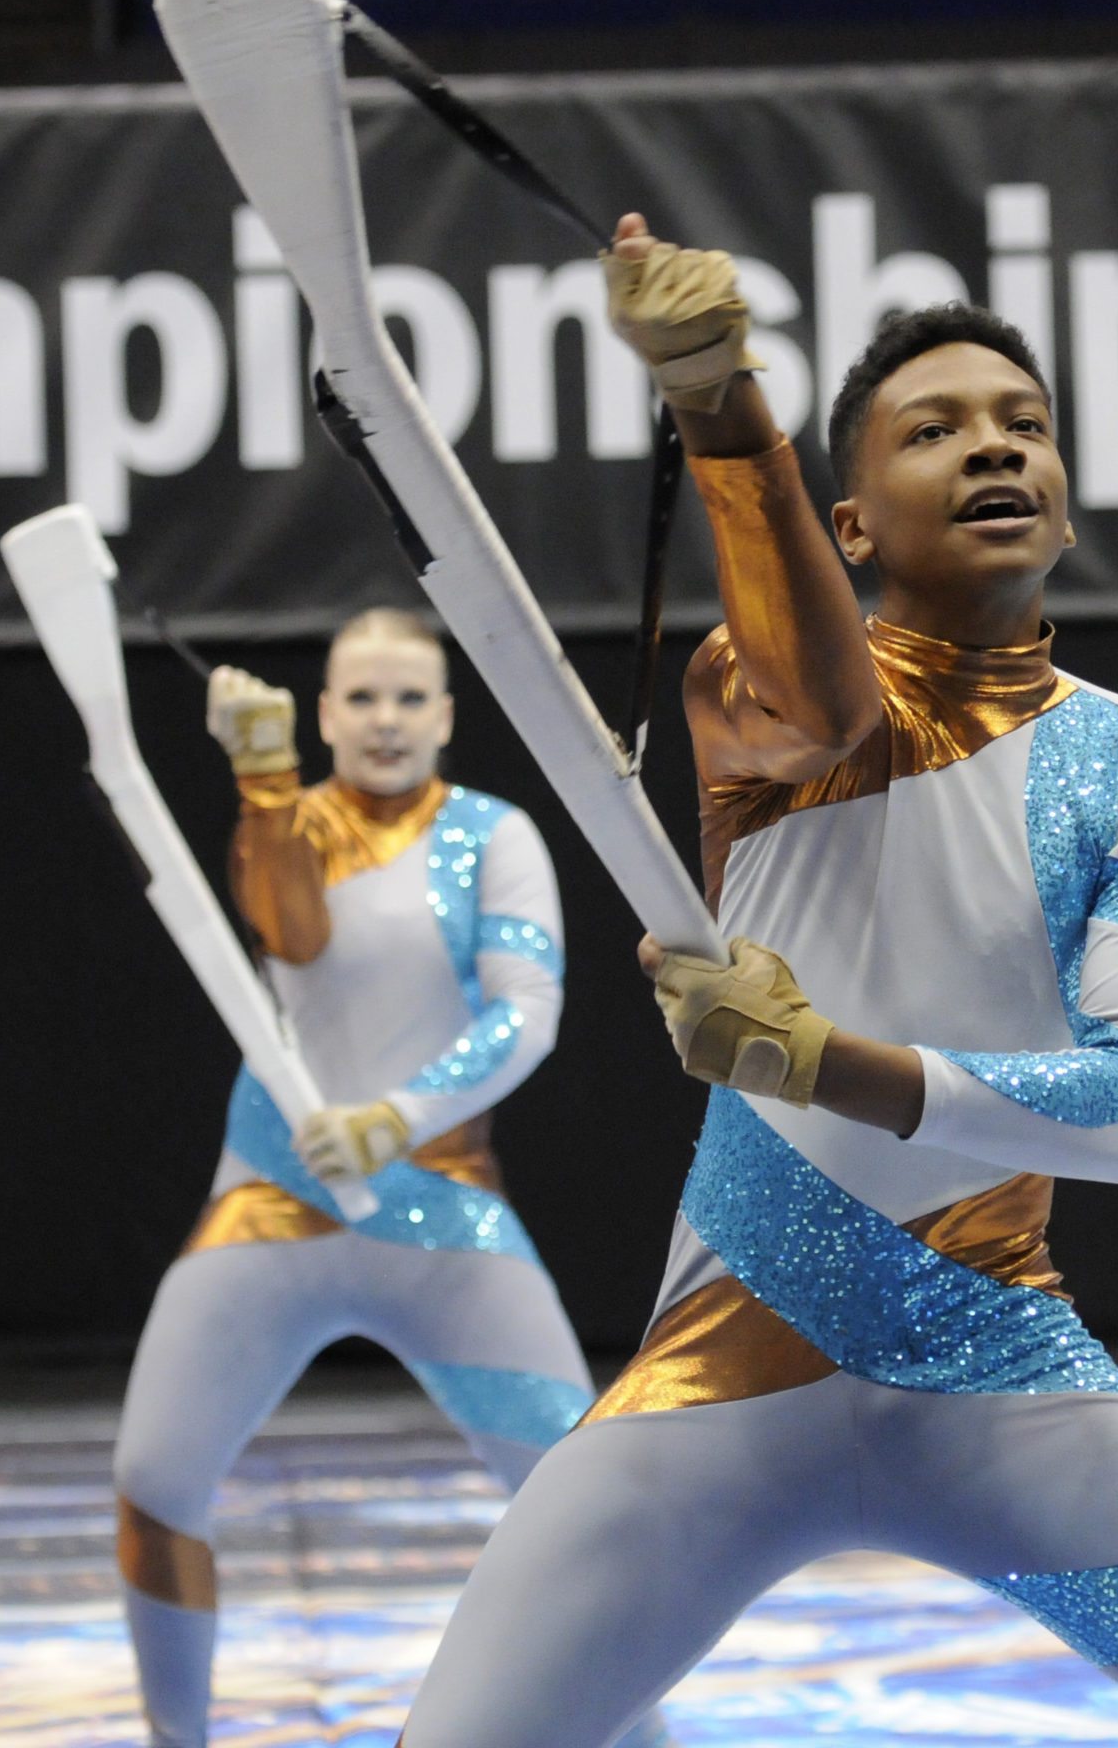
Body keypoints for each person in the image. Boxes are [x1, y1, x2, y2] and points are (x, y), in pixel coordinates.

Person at [395, 220, 1118, 1747]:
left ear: (1069, 496)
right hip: (716, 1392)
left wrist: (821, 1060)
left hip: (1007, 1372)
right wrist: (720, 404)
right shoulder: (753, 699)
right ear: (851, 522)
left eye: (1026, 426)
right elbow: (831, 687)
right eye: (932, 432)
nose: (995, 450)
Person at [111, 607, 667, 1748]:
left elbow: (528, 1015)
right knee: (155, 1481)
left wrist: (395, 1121)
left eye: (409, 697)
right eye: (360, 697)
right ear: (322, 715)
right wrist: (261, 779)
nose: (384, 720)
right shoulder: (292, 820)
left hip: (445, 1222)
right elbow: (287, 933)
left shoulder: (495, 833)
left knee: (579, 1514)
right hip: (269, 1208)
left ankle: (644, 1738)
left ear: (448, 716)